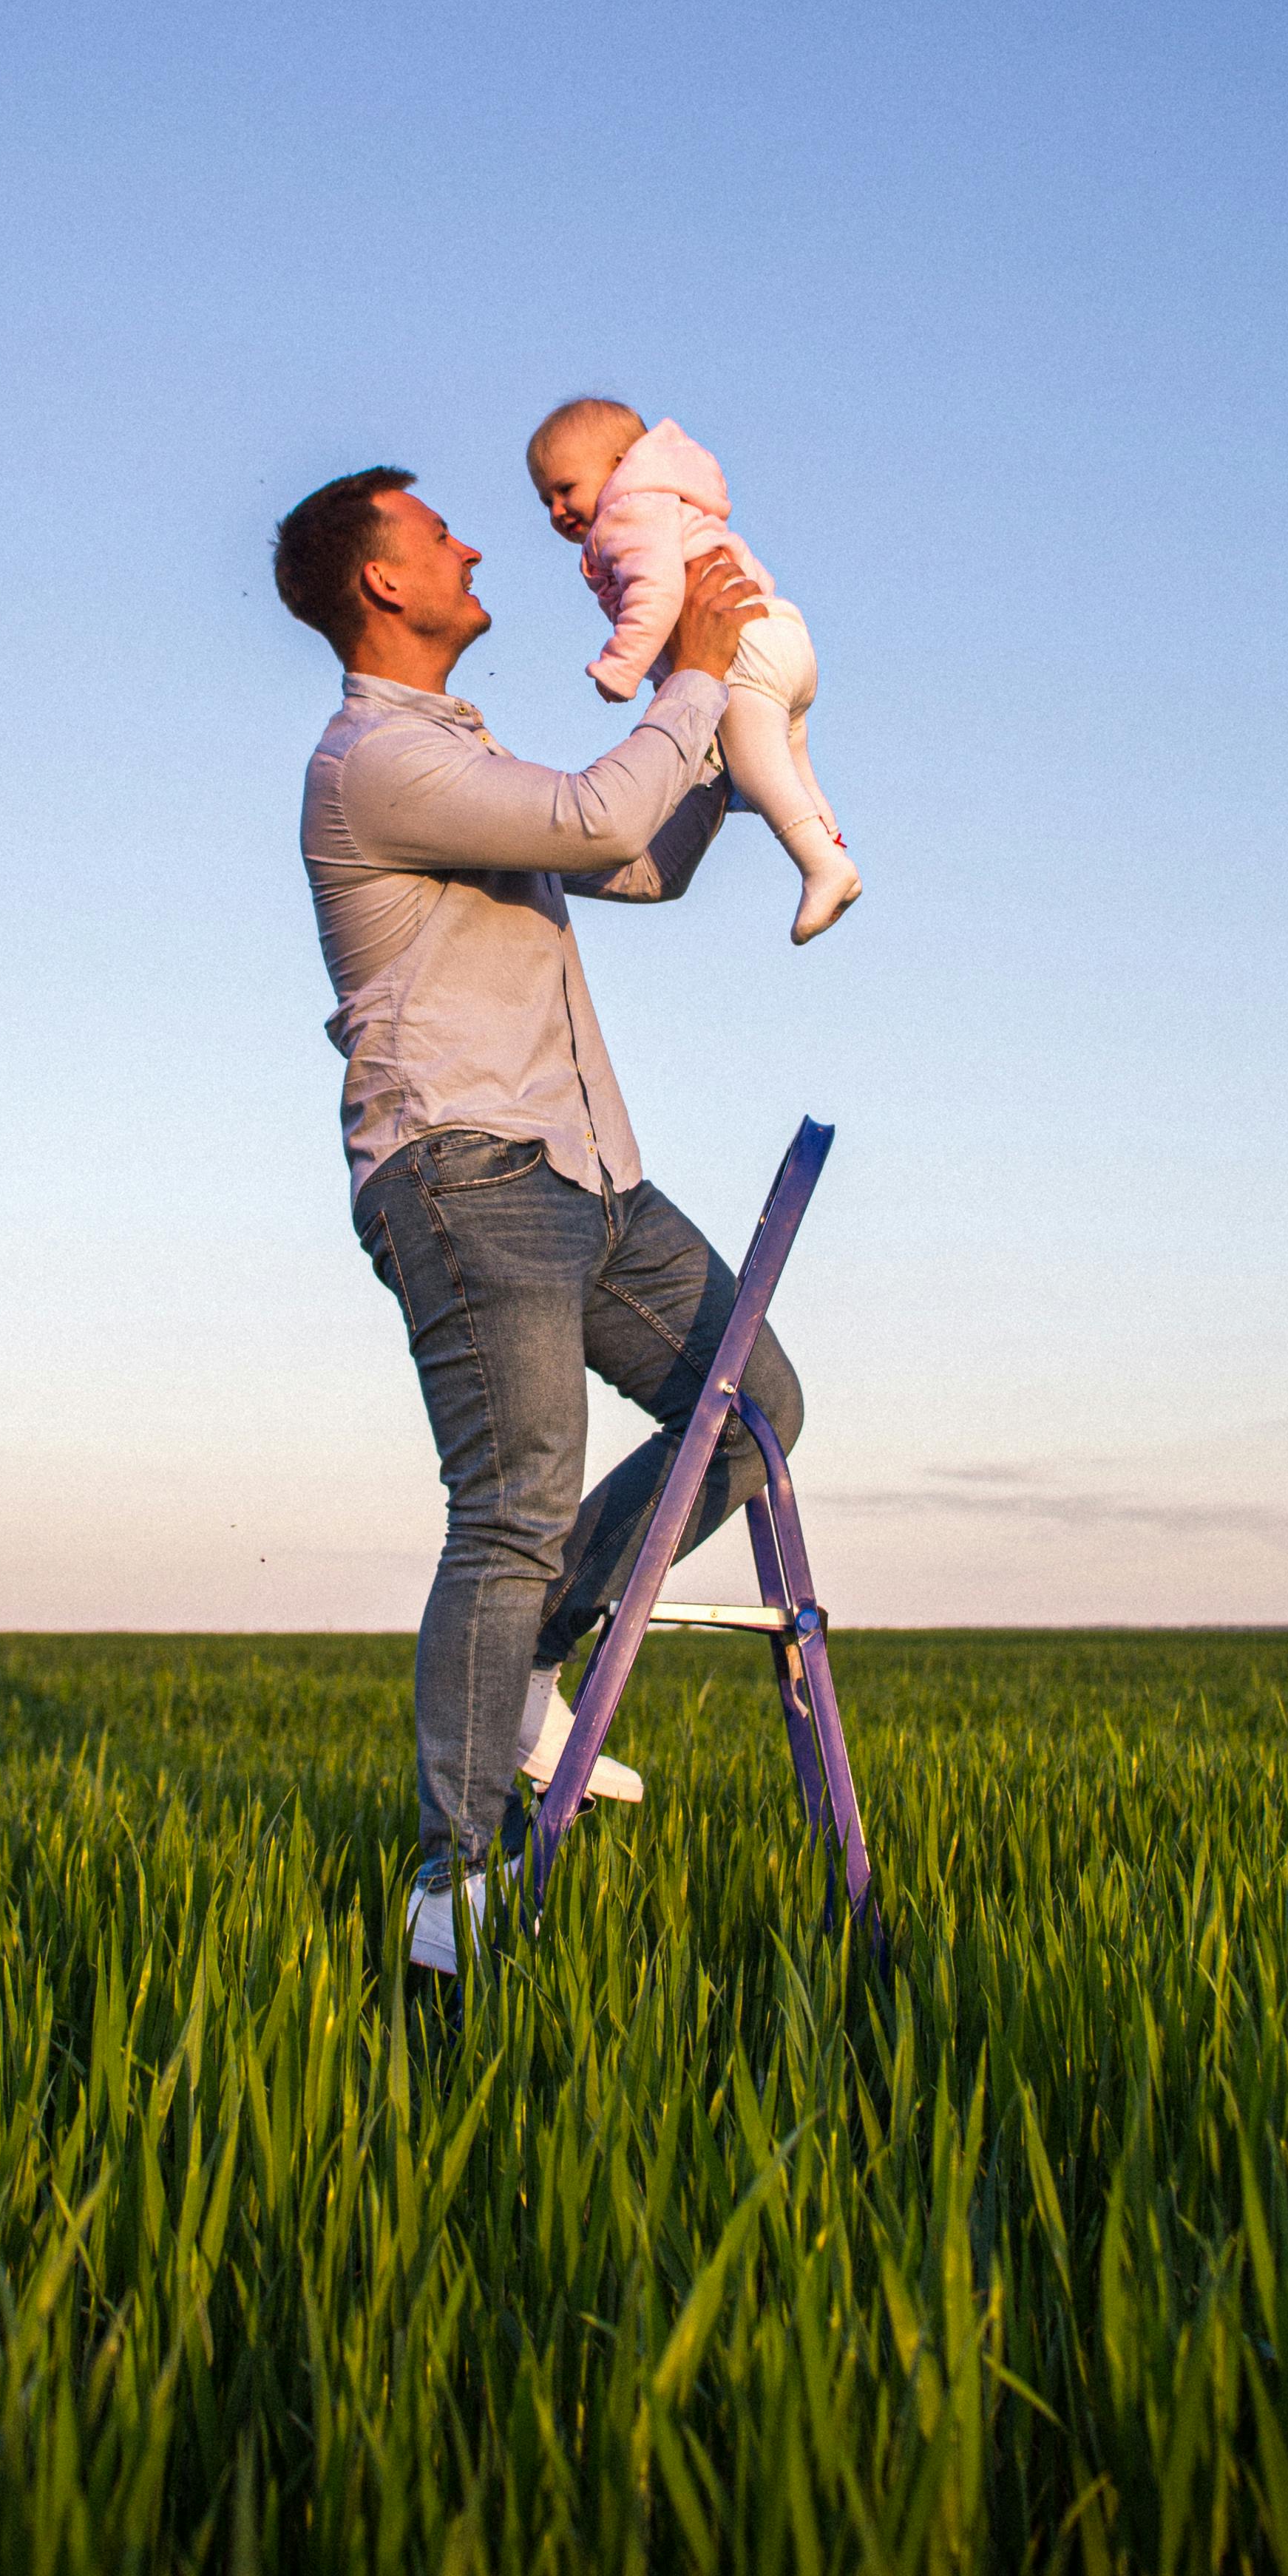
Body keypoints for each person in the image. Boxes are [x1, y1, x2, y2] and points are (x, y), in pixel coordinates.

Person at [276, 462, 806, 1974]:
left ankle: (527, 1670)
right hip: (465, 1171)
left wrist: (743, 724)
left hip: (587, 1172)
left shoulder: (459, 749)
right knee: (506, 1509)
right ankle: (448, 1899)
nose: (467, 545)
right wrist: (690, 672)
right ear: (381, 583)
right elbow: (590, 814)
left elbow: (630, 852)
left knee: (750, 1405)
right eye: (436, 533)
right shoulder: (368, 759)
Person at [527, 398, 861, 943]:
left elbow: (656, 593)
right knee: (794, 767)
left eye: (565, 489)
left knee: (758, 770)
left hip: (742, 653)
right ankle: (832, 848)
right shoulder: (672, 503)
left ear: (617, 465)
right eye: (545, 501)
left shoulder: (627, 513)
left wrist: (621, 666)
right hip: (781, 636)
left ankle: (822, 867)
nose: (557, 511)